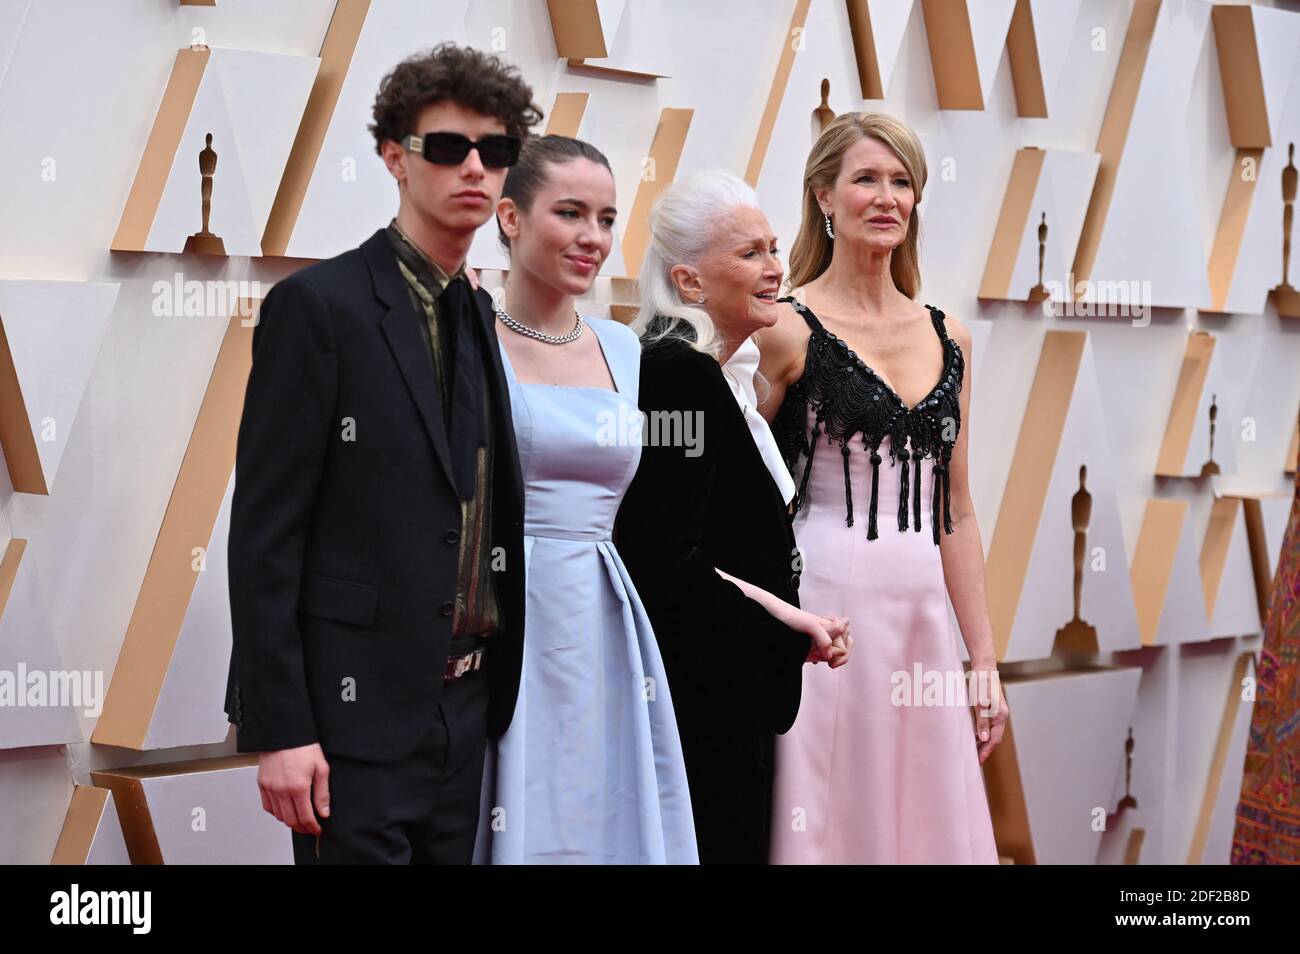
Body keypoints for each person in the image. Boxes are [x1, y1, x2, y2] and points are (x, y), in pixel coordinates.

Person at [224, 43, 541, 864]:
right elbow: (266, 537)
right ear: (394, 157)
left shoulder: (478, 311)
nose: (475, 168)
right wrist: (282, 728)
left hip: (464, 710)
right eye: (447, 148)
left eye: (496, 152)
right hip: (351, 718)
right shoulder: (317, 309)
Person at [757, 111, 1006, 864]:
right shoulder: (784, 328)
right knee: (833, 812)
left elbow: (955, 510)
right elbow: (741, 490)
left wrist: (984, 661)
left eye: (903, 181)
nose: (887, 196)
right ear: (824, 197)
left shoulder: (949, 334)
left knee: (926, 818)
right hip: (825, 610)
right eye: (866, 178)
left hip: (925, 613)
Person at [615, 170, 850, 865]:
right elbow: (662, 559)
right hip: (701, 701)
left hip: (721, 697)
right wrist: (782, 626)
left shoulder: (716, 372)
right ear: (689, 282)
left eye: (774, 247)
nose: (776, 267)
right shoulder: (677, 376)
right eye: (750, 253)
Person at [473, 135, 697, 863]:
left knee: (605, 810)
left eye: (605, 219)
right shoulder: (472, 338)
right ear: (510, 218)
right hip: (505, 610)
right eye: (570, 213)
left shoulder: (624, 349)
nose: (593, 238)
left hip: (603, 615)